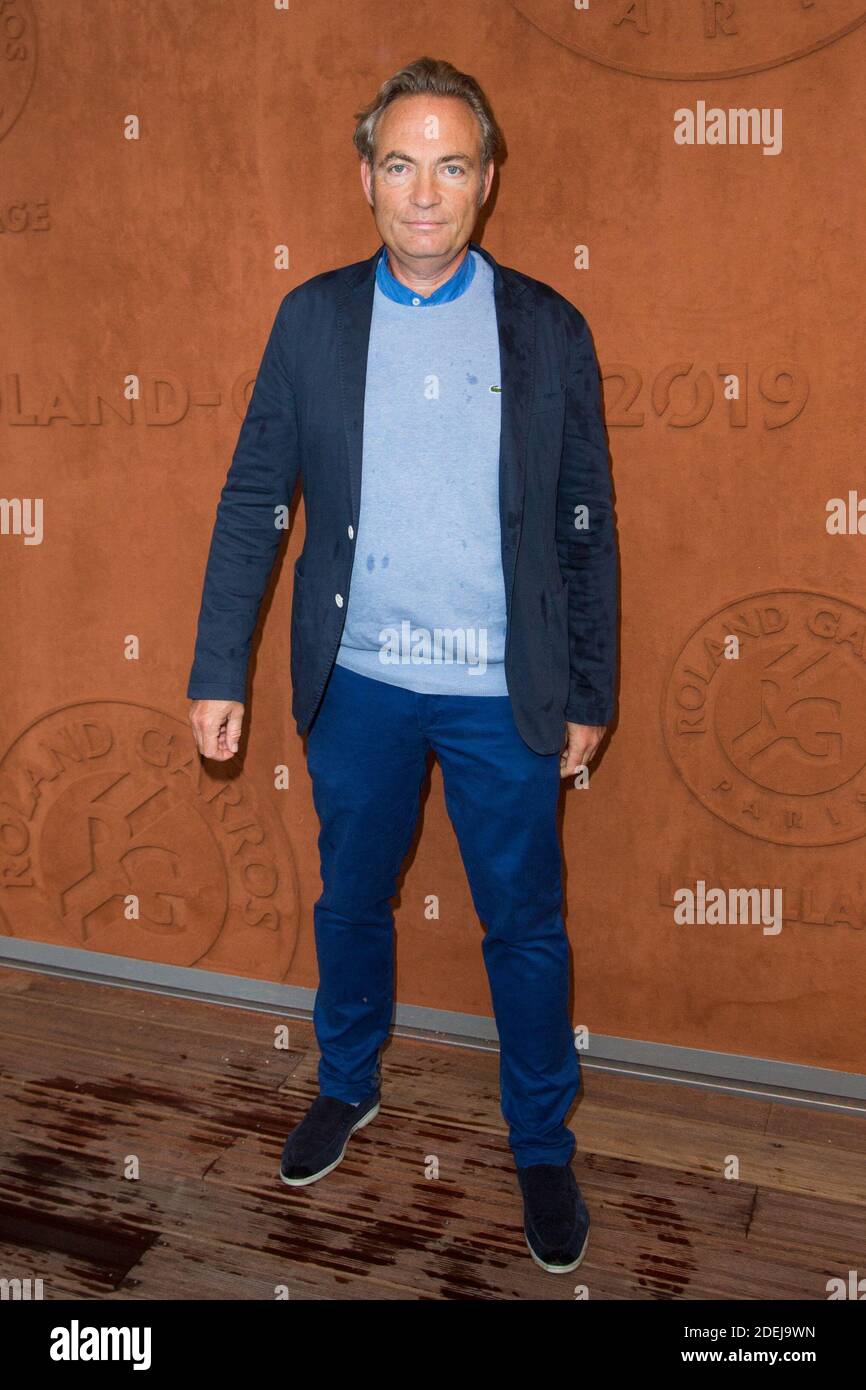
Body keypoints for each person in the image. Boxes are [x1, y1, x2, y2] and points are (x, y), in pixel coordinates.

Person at [187, 56, 618, 1274]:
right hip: (359, 684)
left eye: (449, 164)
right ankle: (344, 1079)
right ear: (364, 178)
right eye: (398, 162)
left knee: (524, 926)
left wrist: (590, 687)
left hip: (502, 691)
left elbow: (585, 516)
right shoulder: (313, 318)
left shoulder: (545, 326)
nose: (422, 190)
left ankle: (540, 1143)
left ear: (484, 182)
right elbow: (253, 498)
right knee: (348, 900)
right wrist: (218, 666)